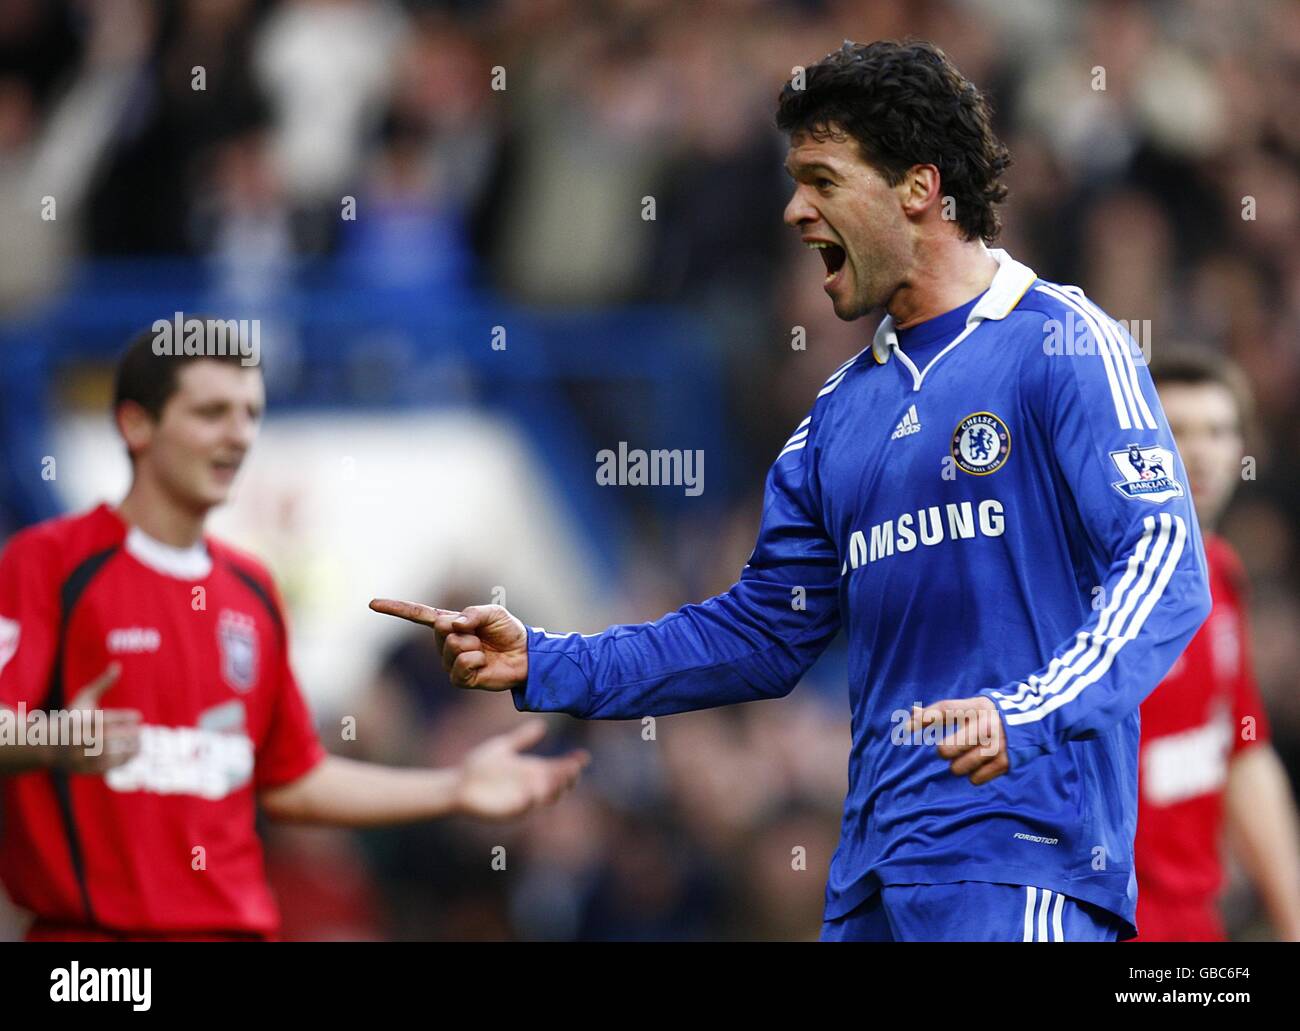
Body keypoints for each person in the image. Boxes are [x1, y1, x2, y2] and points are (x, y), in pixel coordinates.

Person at [373, 40, 1211, 942]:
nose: (793, 211)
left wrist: (1029, 710)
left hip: (1019, 860)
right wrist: (547, 660)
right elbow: (759, 631)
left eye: (821, 179)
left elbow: (1165, 562)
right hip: (871, 881)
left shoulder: (1063, 342)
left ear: (918, 188)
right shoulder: (837, 419)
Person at [0, 323, 589, 941]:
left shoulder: (250, 590)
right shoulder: (49, 565)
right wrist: (49, 739)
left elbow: (292, 778)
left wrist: (455, 787)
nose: (237, 435)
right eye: (211, 412)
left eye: (250, 413)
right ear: (136, 426)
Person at [1132, 351, 1300, 941]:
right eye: (1176, 430)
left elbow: (1243, 750)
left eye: (1220, 432)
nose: (1201, 452)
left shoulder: (1223, 576)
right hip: (1107, 918)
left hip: (1195, 922)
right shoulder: (1088, 591)